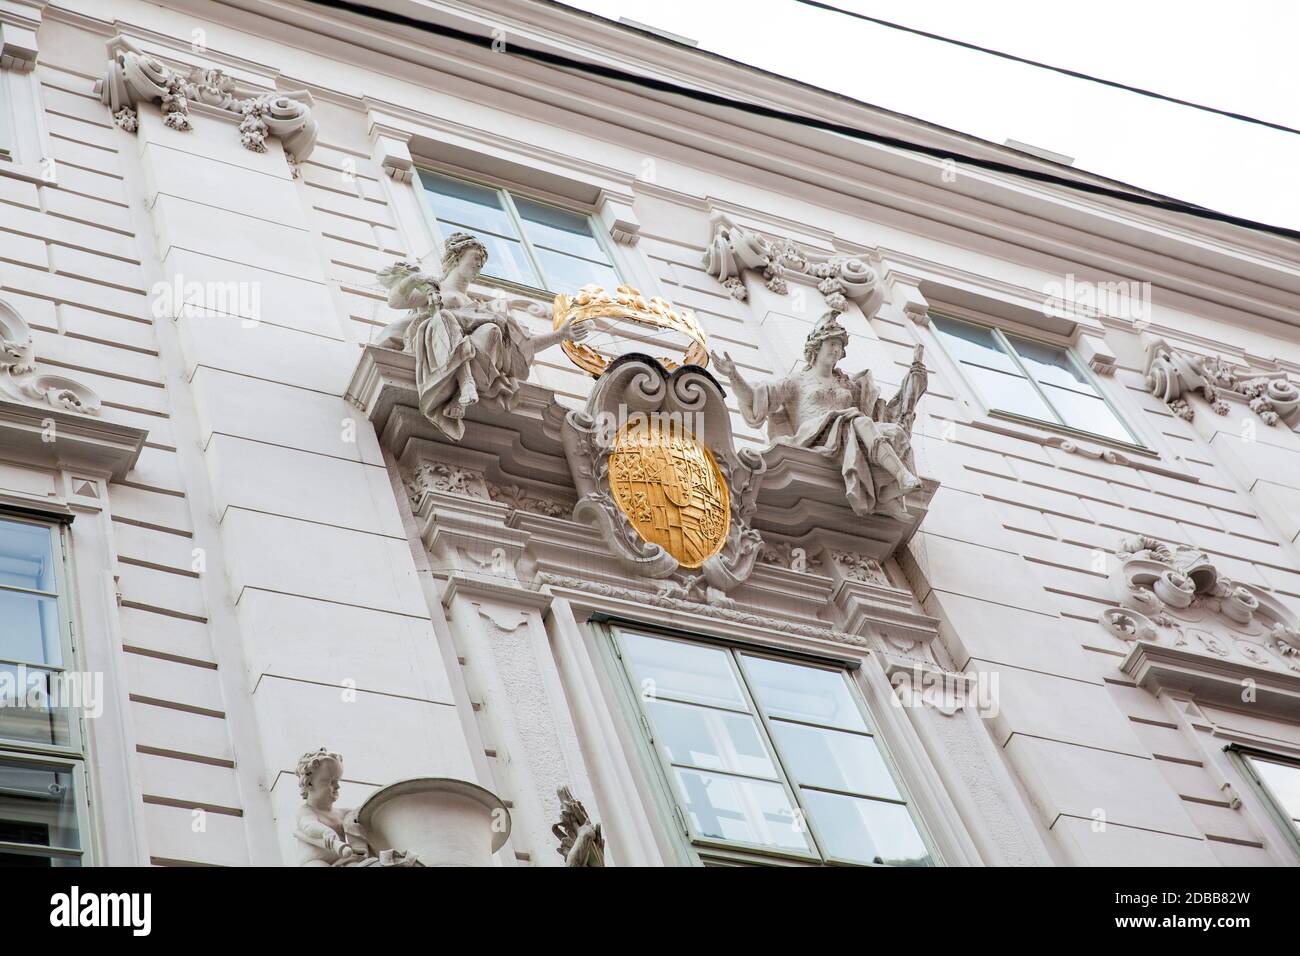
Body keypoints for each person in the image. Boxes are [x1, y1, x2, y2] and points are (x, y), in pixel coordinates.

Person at [711, 312, 925, 518]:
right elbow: (756, 398)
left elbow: (882, 414)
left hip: (850, 431)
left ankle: (891, 490)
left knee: (894, 431)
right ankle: (900, 476)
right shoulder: (796, 382)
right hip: (813, 435)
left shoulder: (847, 384)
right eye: (832, 343)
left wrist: (912, 387)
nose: (836, 350)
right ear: (817, 346)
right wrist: (734, 375)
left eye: (839, 346)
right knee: (856, 419)